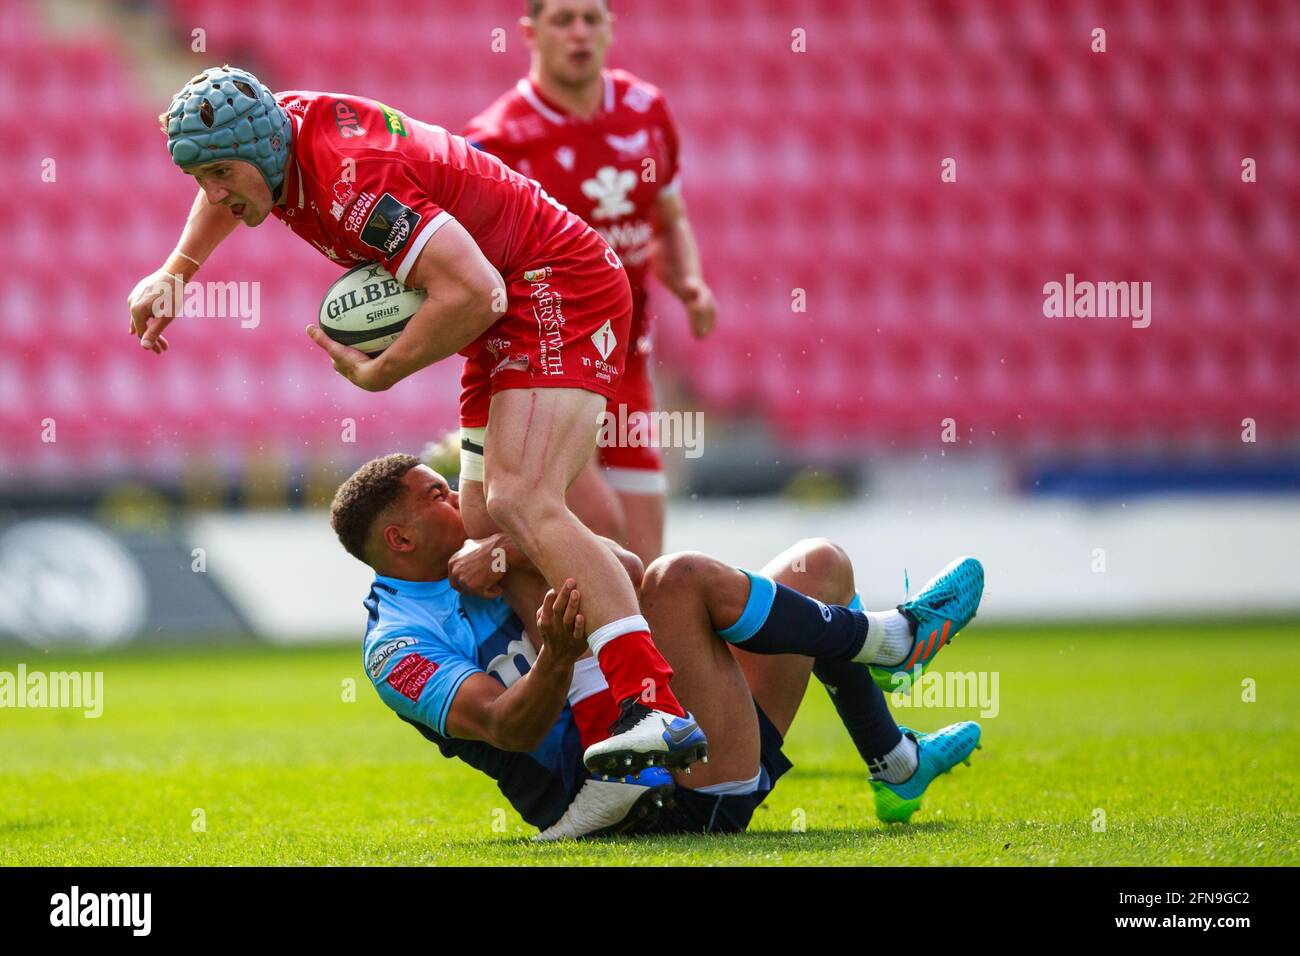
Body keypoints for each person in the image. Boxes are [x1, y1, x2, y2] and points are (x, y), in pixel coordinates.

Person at [125, 64, 703, 774]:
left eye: (219, 173)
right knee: (485, 522)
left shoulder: (348, 185)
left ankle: (654, 704)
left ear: (262, 151)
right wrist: (176, 271)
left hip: (552, 284)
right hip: (507, 304)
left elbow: (477, 291)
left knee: (524, 498)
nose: (212, 193)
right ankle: (611, 730)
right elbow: (233, 180)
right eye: (199, 178)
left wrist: (382, 371)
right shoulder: (274, 139)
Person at [329, 453, 986, 839]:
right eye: (438, 495)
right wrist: (557, 652)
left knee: (820, 565)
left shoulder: (484, 547)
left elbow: (620, 569)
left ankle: (893, 761)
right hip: (633, 795)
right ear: (402, 541)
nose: (458, 496)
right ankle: (891, 643)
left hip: (674, 726)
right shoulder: (398, 645)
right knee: (680, 580)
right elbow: (503, 725)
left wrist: (513, 544)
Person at [464, 0, 717, 565]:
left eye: (590, 18)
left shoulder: (646, 111)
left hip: (624, 359)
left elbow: (668, 219)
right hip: (546, 363)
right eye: (562, 19)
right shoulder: (497, 139)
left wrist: (690, 282)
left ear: (610, 27)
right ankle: (540, 631)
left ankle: (617, 645)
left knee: (648, 561)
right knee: (596, 528)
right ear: (530, 32)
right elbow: (475, 269)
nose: (579, 33)